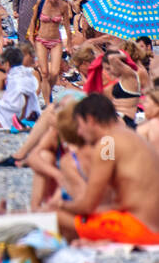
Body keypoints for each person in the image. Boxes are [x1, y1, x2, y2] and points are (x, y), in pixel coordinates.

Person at [54, 94, 159, 245]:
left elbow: (88, 205)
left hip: (139, 229)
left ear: (90, 119)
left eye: (79, 125)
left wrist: (60, 204)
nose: (79, 133)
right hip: (152, 224)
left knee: (57, 216)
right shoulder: (131, 135)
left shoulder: (107, 144)